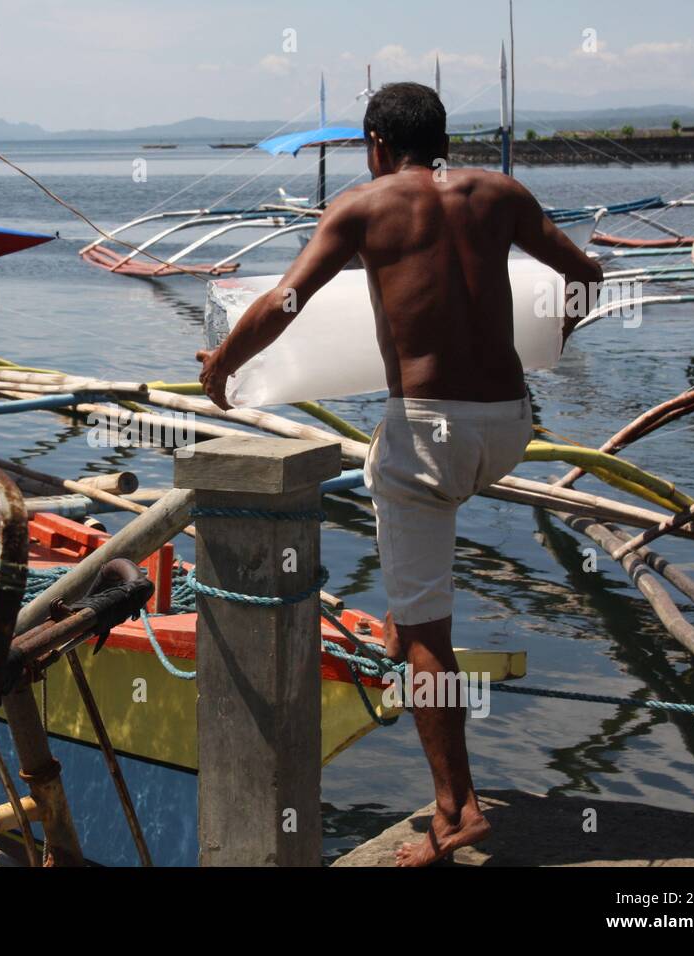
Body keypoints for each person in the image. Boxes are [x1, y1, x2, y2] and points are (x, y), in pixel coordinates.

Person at [196, 82, 602, 867]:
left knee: (426, 635)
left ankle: (455, 811)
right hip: (511, 426)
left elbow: (287, 300)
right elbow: (584, 274)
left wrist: (222, 365)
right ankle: (403, 618)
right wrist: (553, 336)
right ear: (442, 138)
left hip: (426, 439)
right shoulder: (502, 193)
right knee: (419, 546)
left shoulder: (364, 205)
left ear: (377, 143)